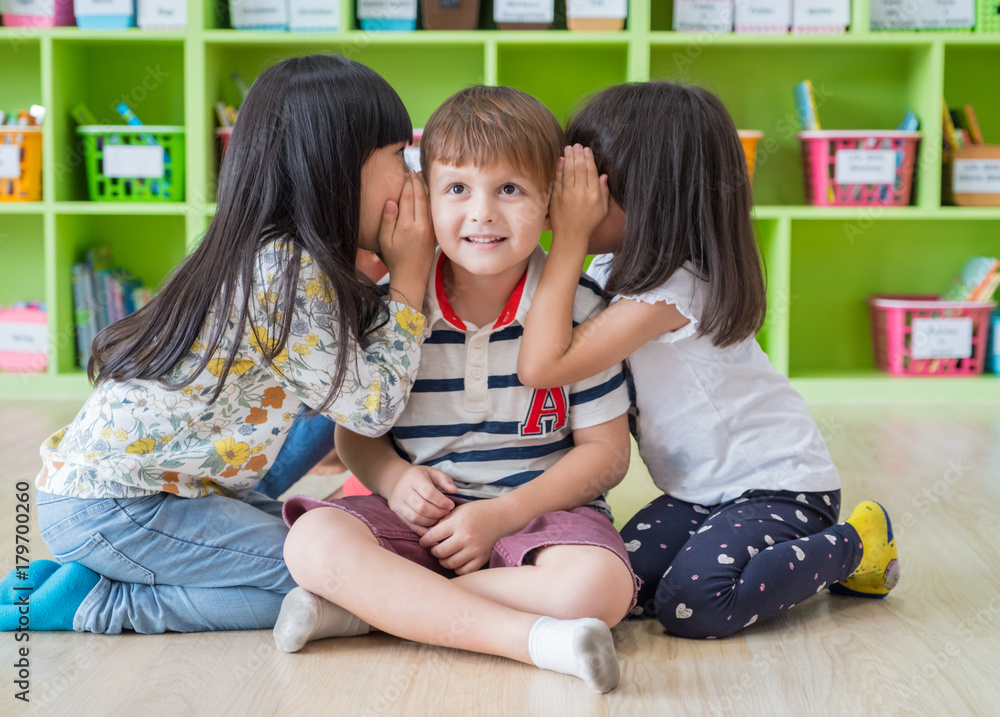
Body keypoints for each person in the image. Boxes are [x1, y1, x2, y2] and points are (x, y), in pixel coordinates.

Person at [0, 55, 436, 634]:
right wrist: (411, 273)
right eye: (398, 160)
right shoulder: (286, 272)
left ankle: (85, 576)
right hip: (125, 508)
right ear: (338, 166)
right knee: (338, 578)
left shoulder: (266, 251)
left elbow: (335, 388)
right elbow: (372, 405)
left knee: (336, 554)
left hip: (137, 497)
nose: (411, 182)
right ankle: (95, 602)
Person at [273, 86, 638, 694]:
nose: (483, 214)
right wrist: (392, 480)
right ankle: (528, 638)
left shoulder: (581, 309)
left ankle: (375, 611)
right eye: (458, 189)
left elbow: (608, 453)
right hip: (416, 524)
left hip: (540, 522)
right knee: (312, 541)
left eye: (511, 189)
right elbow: (357, 437)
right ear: (425, 196)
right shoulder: (395, 304)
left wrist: (504, 515)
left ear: (551, 200)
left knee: (600, 586)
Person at [516, 81, 900, 640]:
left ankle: (858, 543)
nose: (568, 195)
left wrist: (570, 234)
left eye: (587, 183)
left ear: (649, 196)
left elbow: (545, 366)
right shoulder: (609, 271)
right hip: (696, 494)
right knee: (622, 585)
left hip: (780, 488)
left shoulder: (673, 291)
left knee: (694, 603)